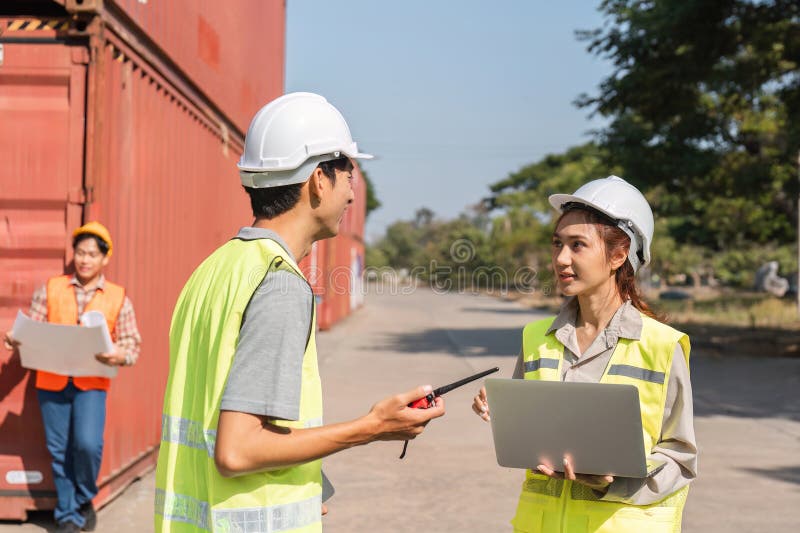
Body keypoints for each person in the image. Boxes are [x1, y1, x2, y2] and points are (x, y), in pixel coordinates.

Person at [154, 92, 445, 533]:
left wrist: (302, 485)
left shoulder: (215, 269)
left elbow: (219, 423)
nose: (353, 190)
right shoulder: (279, 282)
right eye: (348, 171)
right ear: (318, 180)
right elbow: (238, 451)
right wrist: (373, 426)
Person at [472, 176, 697, 532]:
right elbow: (531, 440)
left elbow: (680, 460)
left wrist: (612, 482)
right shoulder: (536, 338)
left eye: (578, 245)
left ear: (618, 255)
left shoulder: (661, 345)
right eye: (557, 244)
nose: (561, 258)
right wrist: (502, 411)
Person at [3, 221, 142, 533]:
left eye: (92, 254)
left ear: (105, 259)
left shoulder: (118, 297)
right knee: (58, 450)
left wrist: (117, 354)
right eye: (80, 253)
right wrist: (16, 338)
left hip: (91, 384)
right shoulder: (51, 289)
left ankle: (83, 497)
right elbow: (32, 328)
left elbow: (133, 345)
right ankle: (67, 515)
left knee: (86, 445)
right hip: (52, 383)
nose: (84, 260)